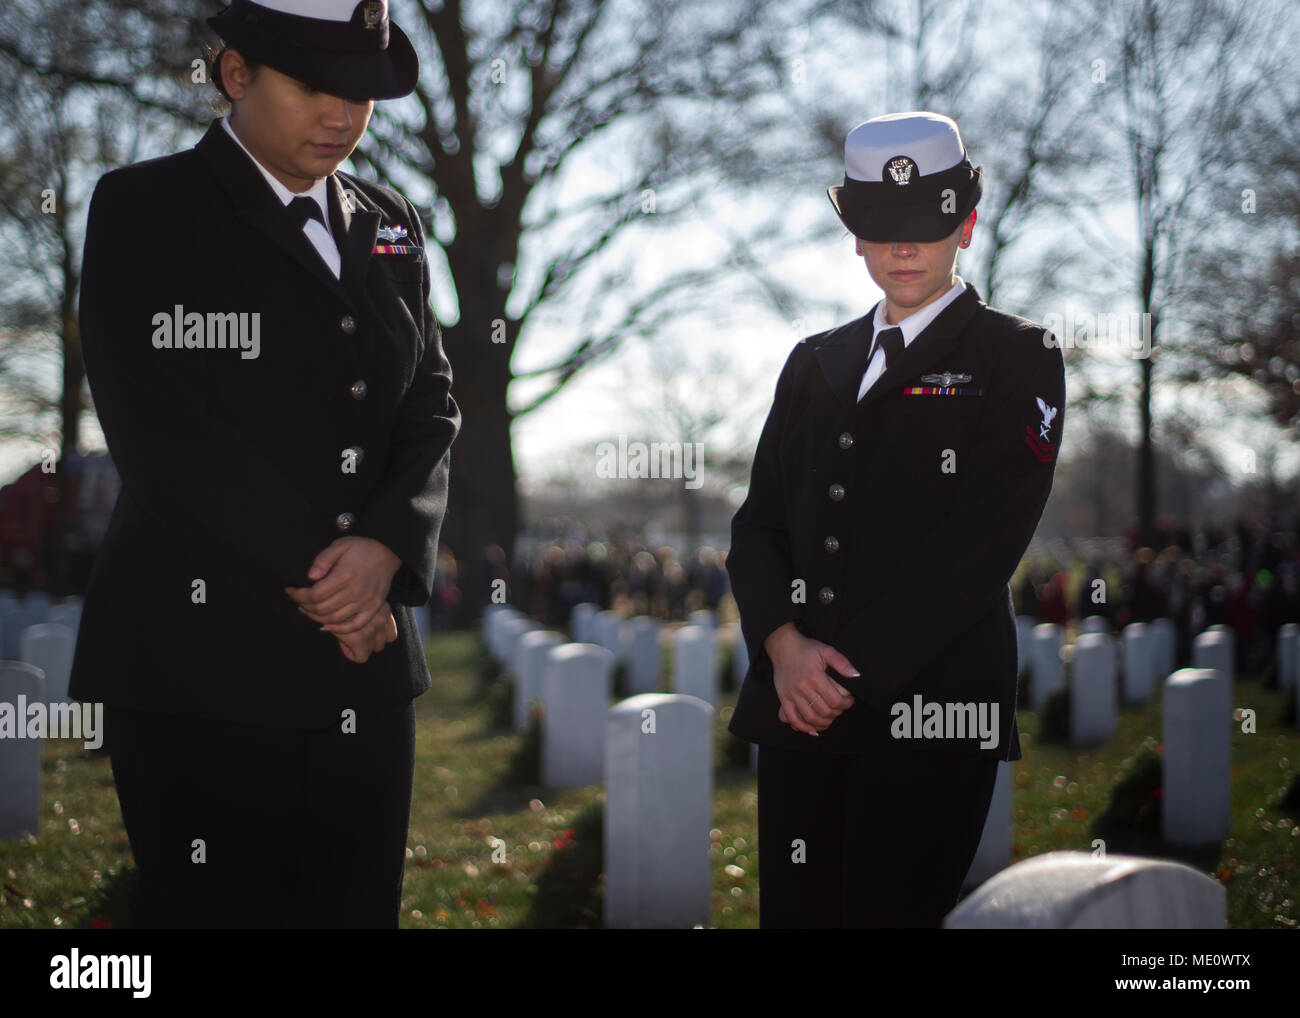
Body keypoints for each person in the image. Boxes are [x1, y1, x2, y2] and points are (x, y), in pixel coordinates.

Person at [69, 0, 460, 928]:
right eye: (316, 87)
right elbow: (160, 432)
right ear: (235, 74)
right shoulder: (145, 207)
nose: (343, 116)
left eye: (361, 91)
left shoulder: (394, 222)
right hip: (201, 660)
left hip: (363, 665)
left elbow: (430, 403)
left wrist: (385, 553)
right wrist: (332, 578)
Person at [726, 111, 1066, 928]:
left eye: (927, 224)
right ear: (856, 238)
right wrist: (784, 650)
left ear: (967, 225)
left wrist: (838, 675)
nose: (905, 246)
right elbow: (759, 526)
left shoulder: (1018, 355)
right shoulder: (813, 360)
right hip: (798, 704)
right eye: (884, 226)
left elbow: (981, 548)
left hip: (930, 710)